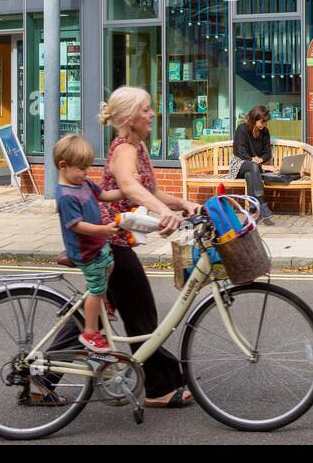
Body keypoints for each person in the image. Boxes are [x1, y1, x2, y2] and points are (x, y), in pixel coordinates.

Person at [40, 85, 198, 409]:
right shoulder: (125, 149)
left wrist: (181, 203)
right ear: (129, 118)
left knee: (97, 318)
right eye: (145, 109)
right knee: (140, 316)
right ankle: (158, 386)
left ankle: (40, 378)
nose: (152, 114)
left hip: (114, 241)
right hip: (109, 240)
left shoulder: (136, 147)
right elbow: (127, 185)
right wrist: (163, 211)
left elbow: (144, 190)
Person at [53, 134, 123, 354]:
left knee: (110, 265)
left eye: (87, 168)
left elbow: (105, 195)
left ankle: (103, 301)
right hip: (85, 252)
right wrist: (104, 229)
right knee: (95, 288)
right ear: (63, 166)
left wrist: (127, 190)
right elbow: (77, 226)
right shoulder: (66, 195)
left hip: (98, 246)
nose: (86, 173)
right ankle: (90, 332)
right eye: (81, 168)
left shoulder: (83, 184)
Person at [232, 105, 277, 223]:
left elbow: (268, 152)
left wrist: (261, 160)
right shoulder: (242, 129)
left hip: (254, 169)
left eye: (265, 122)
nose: (263, 124)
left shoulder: (265, 132)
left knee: (250, 174)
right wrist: (255, 161)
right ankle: (262, 204)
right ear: (254, 118)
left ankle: (252, 211)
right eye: (262, 121)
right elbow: (240, 151)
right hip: (239, 165)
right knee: (252, 167)